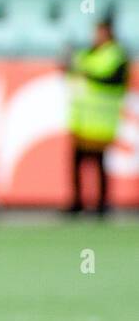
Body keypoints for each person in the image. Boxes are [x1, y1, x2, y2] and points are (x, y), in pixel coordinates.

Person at [63, 15, 129, 216]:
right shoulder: (88, 54)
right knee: (77, 162)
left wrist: (86, 74)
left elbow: (112, 80)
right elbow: (72, 72)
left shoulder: (116, 56)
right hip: (82, 120)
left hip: (101, 121)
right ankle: (77, 202)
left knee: (99, 163)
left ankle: (101, 205)